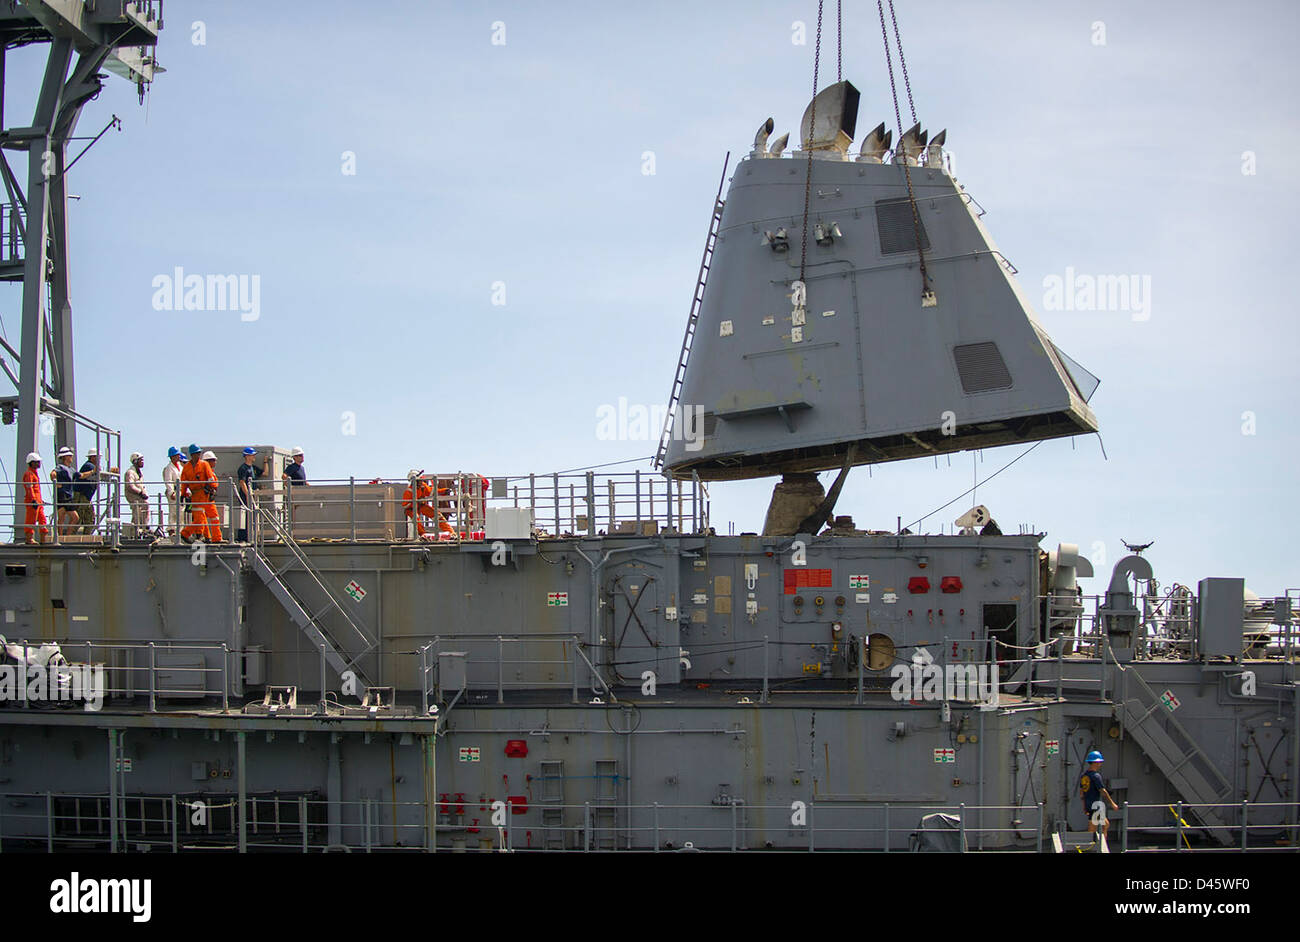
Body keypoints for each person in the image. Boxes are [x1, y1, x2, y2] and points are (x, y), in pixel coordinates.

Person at [180, 444, 222, 542]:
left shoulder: (204, 465)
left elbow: (211, 479)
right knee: (199, 520)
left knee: (214, 517)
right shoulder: (187, 468)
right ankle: (186, 534)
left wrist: (213, 488)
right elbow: (184, 482)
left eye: (199, 453)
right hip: (196, 496)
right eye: (196, 453)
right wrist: (183, 494)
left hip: (206, 495)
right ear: (192, 454)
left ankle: (216, 538)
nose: (198, 455)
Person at [1080, 750, 1119, 838]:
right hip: (1095, 806)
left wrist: (1084, 806)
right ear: (1094, 762)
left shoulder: (1084, 776)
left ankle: (1101, 845)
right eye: (1099, 762)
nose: (1100, 764)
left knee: (1105, 825)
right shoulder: (1096, 776)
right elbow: (1103, 791)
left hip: (1090, 805)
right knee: (1092, 831)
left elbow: (1082, 793)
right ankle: (1095, 847)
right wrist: (1112, 803)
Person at [235, 447, 269, 542]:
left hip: (252, 496)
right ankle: (242, 537)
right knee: (245, 515)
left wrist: (265, 462)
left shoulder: (253, 468)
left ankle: (250, 536)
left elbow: (265, 473)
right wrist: (248, 495)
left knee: (252, 516)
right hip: (245, 496)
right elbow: (242, 482)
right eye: (252, 455)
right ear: (247, 456)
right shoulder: (243, 468)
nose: (254, 457)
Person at [402, 470, 447, 538]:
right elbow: (405, 505)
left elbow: (432, 491)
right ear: (414, 481)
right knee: (416, 519)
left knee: (437, 515)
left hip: (422, 506)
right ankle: (423, 535)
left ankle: (451, 532)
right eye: (420, 480)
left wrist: (444, 490)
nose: (421, 481)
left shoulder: (423, 486)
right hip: (411, 509)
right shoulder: (408, 491)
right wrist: (415, 502)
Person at [20, 452, 48, 544]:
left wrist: (40, 500)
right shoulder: (29, 474)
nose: (38, 464)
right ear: (31, 462)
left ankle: (43, 539)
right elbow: (29, 487)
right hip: (33, 501)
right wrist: (33, 500)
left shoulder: (34, 474)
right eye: (36, 462)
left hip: (37, 501)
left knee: (42, 519)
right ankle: (29, 539)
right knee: (31, 519)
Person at [72, 448, 101, 534]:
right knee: (79, 517)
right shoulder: (89, 466)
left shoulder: (90, 467)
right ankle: (72, 536)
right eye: (97, 457)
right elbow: (98, 475)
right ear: (92, 458)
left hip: (86, 497)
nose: (99, 459)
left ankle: (86, 536)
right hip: (82, 496)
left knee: (89, 518)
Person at [50, 446, 77, 535]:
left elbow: (81, 475)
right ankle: (60, 536)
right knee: (62, 516)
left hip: (68, 496)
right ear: (65, 457)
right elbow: (53, 473)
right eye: (70, 456)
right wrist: (56, 483)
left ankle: (67, 535)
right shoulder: (60, 467)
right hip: (61, 495)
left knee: (74, 517)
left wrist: (92, 471)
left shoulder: (71, 470)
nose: (71, 457)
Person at [123, 452, 149, 538]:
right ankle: (135, 530)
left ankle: (143, 528)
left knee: (144, 507)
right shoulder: (130, 472)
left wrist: (144, 493)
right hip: (133, 495)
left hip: (139, 496)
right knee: (137, 510)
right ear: (135, 461)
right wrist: (140, 492)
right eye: (141, 460)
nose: (143, 462)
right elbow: (130, 486)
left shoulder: (139, 473)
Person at [162, 446, 184, 537]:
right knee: (173, 511)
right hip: (174, 491)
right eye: (176, 455)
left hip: (181, 491)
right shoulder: (169, 468)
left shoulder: (180, 467)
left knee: (181, 511)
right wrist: (171, 492)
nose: (178, 457)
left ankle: (180, 530)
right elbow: (168, 480)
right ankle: (172, 529)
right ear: (172, 457)